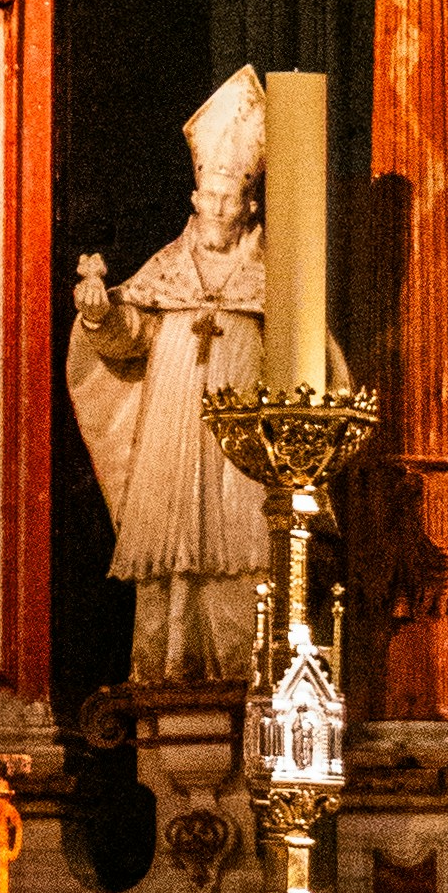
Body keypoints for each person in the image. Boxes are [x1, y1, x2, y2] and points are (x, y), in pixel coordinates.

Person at [66, 64, 280, 685]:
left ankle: (247, 672)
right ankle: (167, 670)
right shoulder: (166, 271)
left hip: (241, 441)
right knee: (172, 560)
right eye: (207, 196)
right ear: (193, 199)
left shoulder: (275, 279)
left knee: (243, 558)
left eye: (228, 198)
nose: (216, 208)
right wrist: (100, 315)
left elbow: (302, 359)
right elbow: (129, 342)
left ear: (249, 203)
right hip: (174, 427)